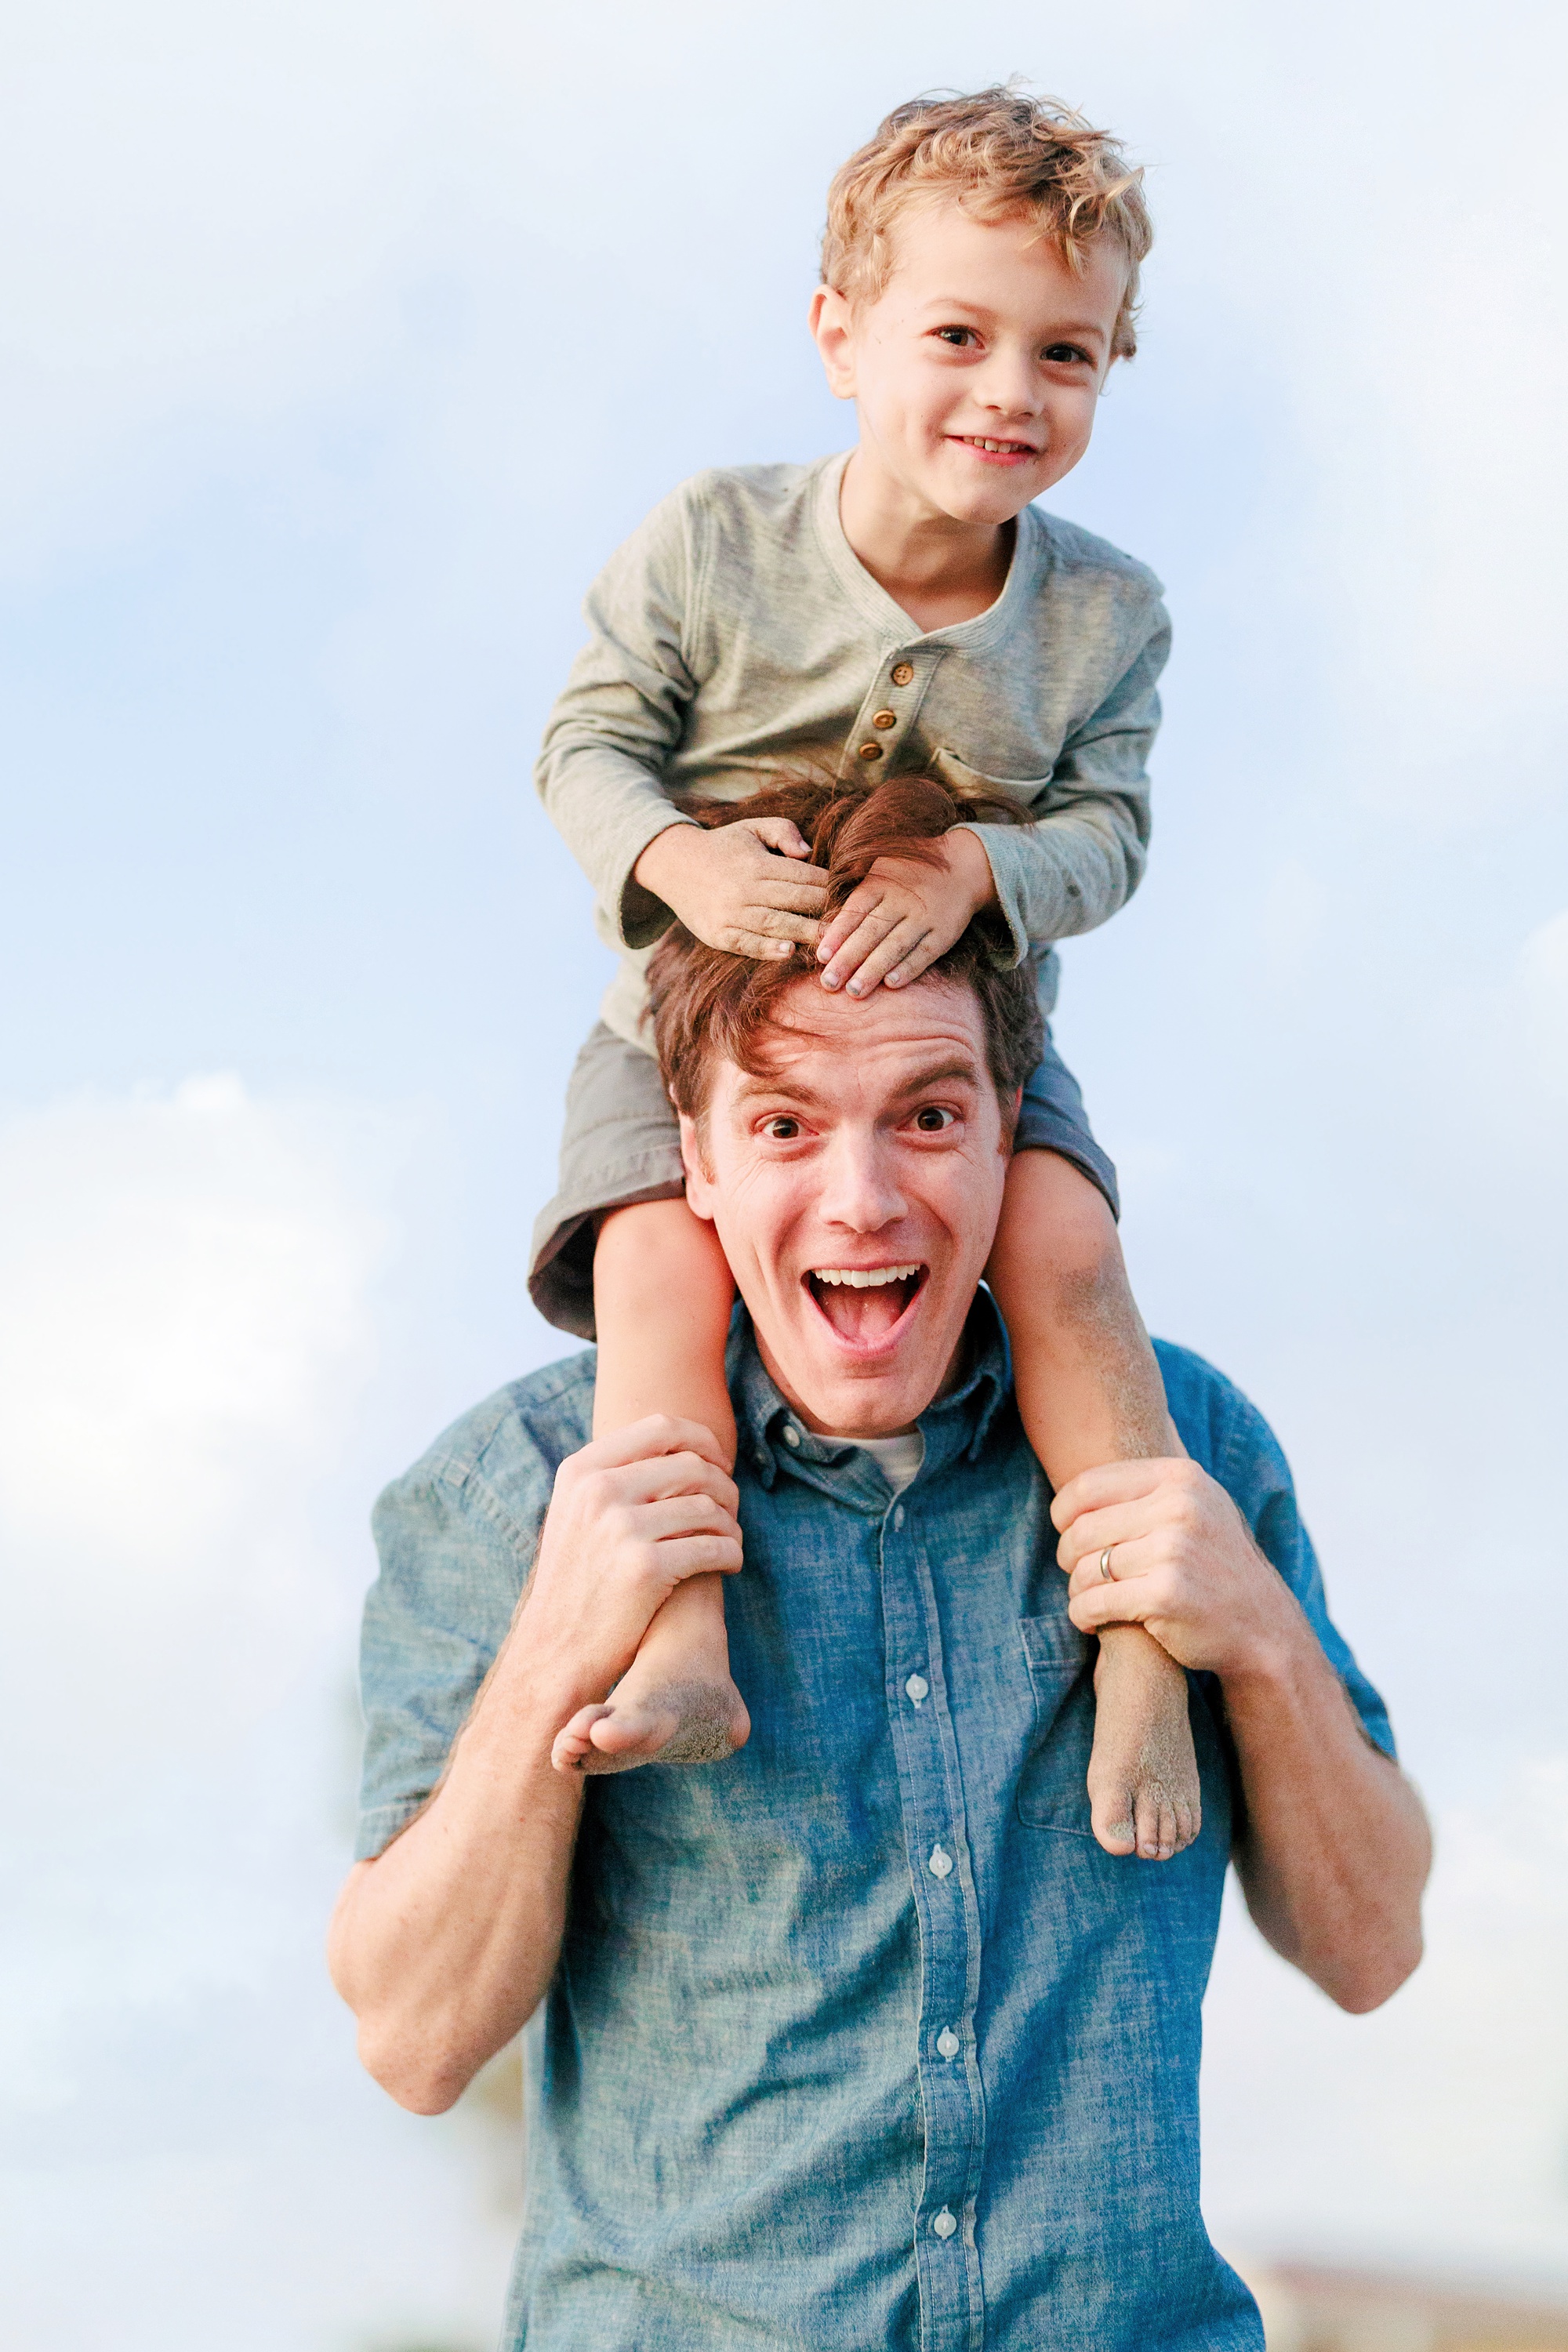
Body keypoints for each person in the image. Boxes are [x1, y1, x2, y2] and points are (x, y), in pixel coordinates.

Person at [328, 778, 1430, 2352]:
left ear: (1008, 1139)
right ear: (691, 1162)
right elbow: (415, 2042)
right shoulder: (512, 1492)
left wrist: (1250, 1626)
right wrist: (555, 1659)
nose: (864, 1196)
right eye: (784, 1125)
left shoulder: (1191, 1445)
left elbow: (1372, 1944)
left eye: (928, 1115)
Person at [531, 85, 1200, 1860]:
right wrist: (673, 859)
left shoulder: (1103, 616)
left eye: (1066, 354)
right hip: (679, 1031)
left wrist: (984, 863)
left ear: (1112, 364)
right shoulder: (712, 541)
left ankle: (1138, 1640)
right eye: (958, 336)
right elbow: (589, 747)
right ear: (841, 337)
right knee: (657, 1263)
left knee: (1066, 1252)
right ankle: (683, 1637)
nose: (1009, 393)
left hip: (960, 1045)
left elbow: (1111, 838)